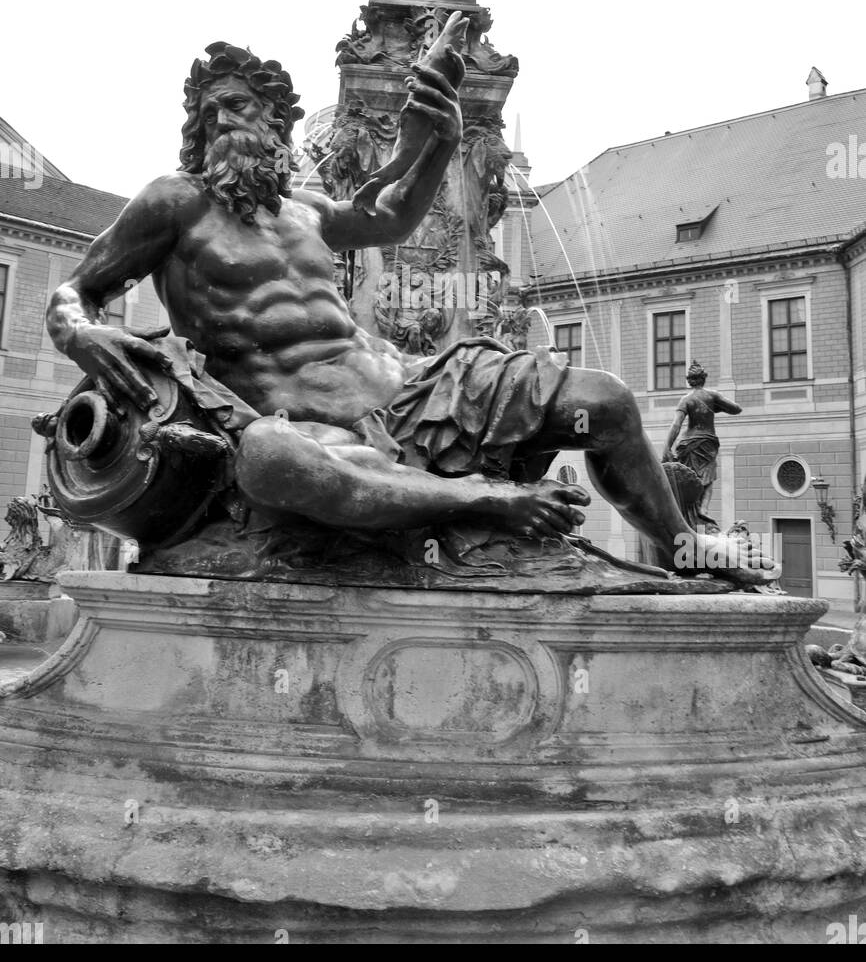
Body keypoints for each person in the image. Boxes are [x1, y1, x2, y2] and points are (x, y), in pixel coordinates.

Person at [45, 42, 775, 583]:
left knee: (606, 401)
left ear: (275, 122)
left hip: (417, 389)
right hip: (310, 425)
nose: (220, 120)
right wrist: (81, 333)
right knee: (270, 462)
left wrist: (445, 139)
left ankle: (686, 547)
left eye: (237, 105)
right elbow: (75, 291)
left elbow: (392, 215)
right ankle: (481, 500)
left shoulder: (305, 209)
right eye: (207, 115)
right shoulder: (174, 203)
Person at [663, 361, 741, 522]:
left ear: (690, 380)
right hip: (707, 441)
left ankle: (688, 512)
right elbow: (736, 408)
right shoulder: (712, 395)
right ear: (703, 379)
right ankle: (703, 509)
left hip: (688, 443)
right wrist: (716, 407)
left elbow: (676, 424)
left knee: (691, 478)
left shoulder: (686, 399)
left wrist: (667, 446)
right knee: (708, 476)